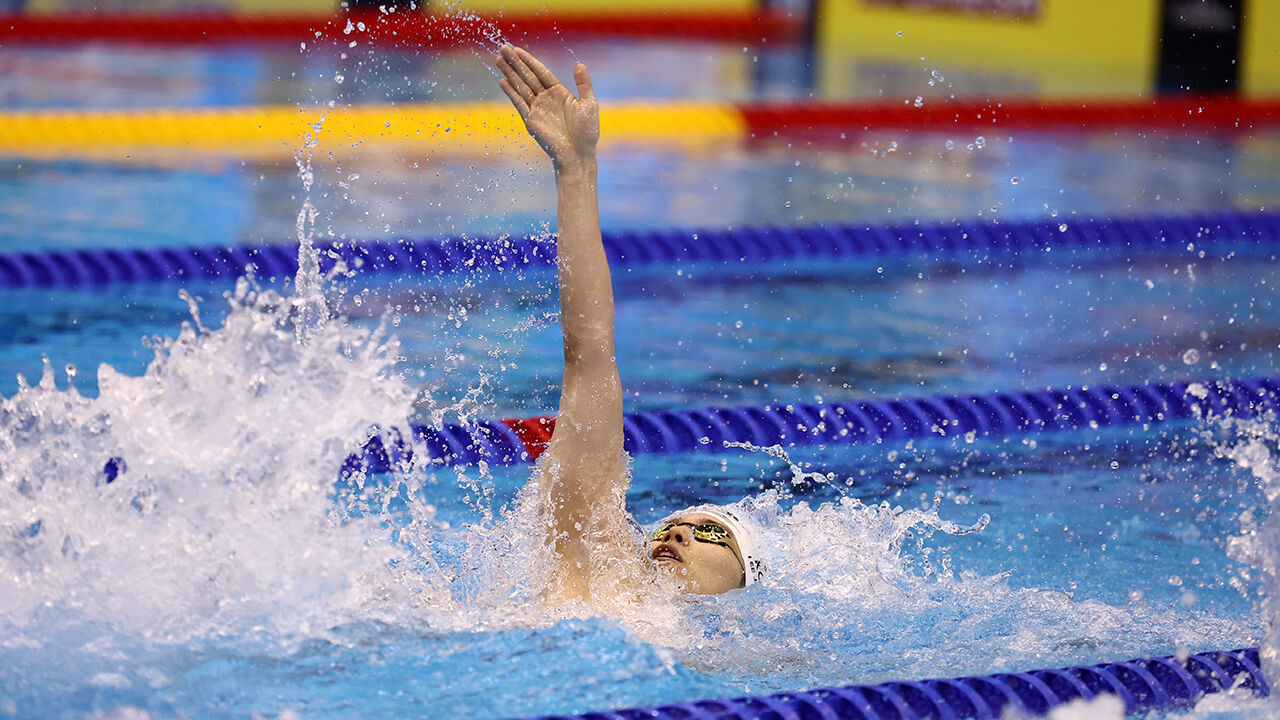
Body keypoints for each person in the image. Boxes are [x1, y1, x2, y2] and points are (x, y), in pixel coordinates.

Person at [493, 44, 766, 602]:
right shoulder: (598, 572)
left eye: (712, 532)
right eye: (670, 526)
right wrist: (575, 170)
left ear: (743, 579)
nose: (679, 531)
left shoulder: (736, 664)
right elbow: (589, 352)